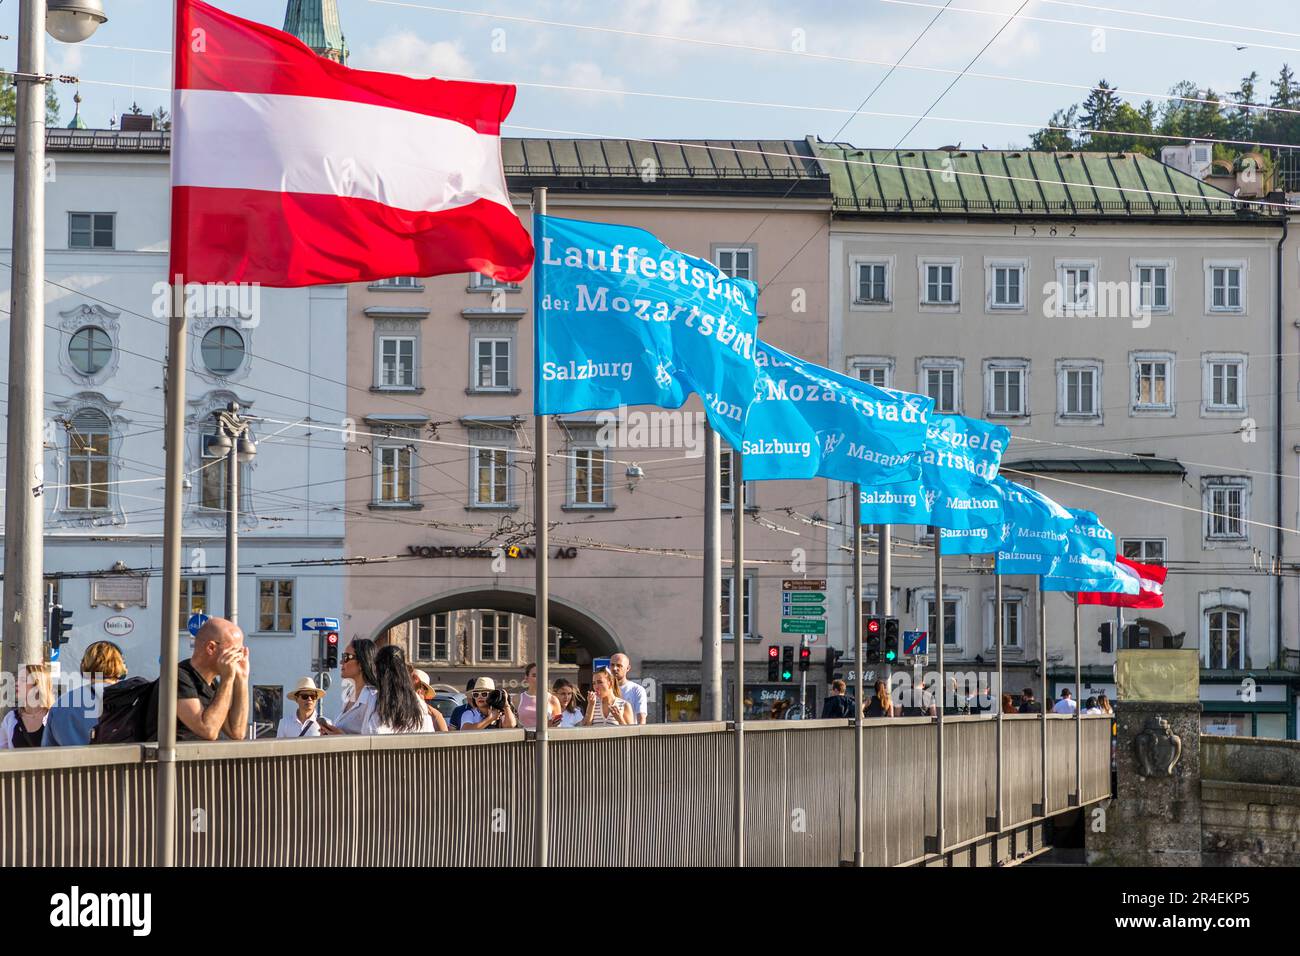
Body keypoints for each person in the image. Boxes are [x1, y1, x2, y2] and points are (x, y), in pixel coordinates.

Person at [145, 616, 248, 742]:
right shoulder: (177, 677)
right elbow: (208, 730)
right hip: (175, 760)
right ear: (211, 648)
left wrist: (242, 679)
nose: (239, 657)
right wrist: (227, 679)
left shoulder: (212, 684)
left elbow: (236, 732)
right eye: (235, 651)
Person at [43, 641, 127, 747]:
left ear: (83, 667)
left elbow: (48, 752)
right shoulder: (135, 699)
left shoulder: (62, 704)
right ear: (121, 668)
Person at [366, 645, 434, 734]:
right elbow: (429, 734)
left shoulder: (374, 700)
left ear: (378, 671)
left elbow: (367, 734)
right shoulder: (419, 704)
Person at [319, 638, 378, 736]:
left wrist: (343, 737)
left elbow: (374, 741)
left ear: (361, 664)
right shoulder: (348, 694)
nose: (341, 662)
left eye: (346, 657)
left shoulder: (373, 698)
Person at [0, 664, 53, 748]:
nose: (16, 683)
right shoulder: (10, 718)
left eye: (23, 680)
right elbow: (2, 753)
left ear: (37, 685)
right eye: (17, 680)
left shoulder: (54, 717)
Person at [517, 662, 561, 729]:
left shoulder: (553, 699)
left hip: (546, 738)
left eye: (541, 675)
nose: (538, 678)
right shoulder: (517, 699)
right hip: (523, 738)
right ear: (526, 678)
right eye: (534, 675)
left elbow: (558, 724)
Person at [610, 652, 648, 725]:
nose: (614, 668)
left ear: (627, 668)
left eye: (619, 665)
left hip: (628, 734)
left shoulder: (637, 690)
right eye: (612, 665)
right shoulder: (605, 689)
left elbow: (641, 720)